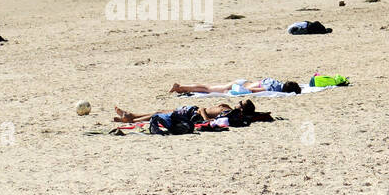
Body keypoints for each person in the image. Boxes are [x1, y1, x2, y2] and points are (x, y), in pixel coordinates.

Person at [115, 100, 253, 125]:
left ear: (241, 109)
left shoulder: (227, 111)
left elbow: (203, 109)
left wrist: (205, 120)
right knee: (160, 112)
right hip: (192, 111)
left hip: (192, 113)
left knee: (159, 114)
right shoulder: (226, 108)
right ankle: (130, 115)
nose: (239, 102)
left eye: (241, 103)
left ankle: (131, 119)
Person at [169, 78, 302, 95]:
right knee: (208, 89)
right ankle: (180, 87)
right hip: (240, 85)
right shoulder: (274, 89)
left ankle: (181, 87)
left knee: (209, 87)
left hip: (243, 81)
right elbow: (253, 90)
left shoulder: (275, 82)